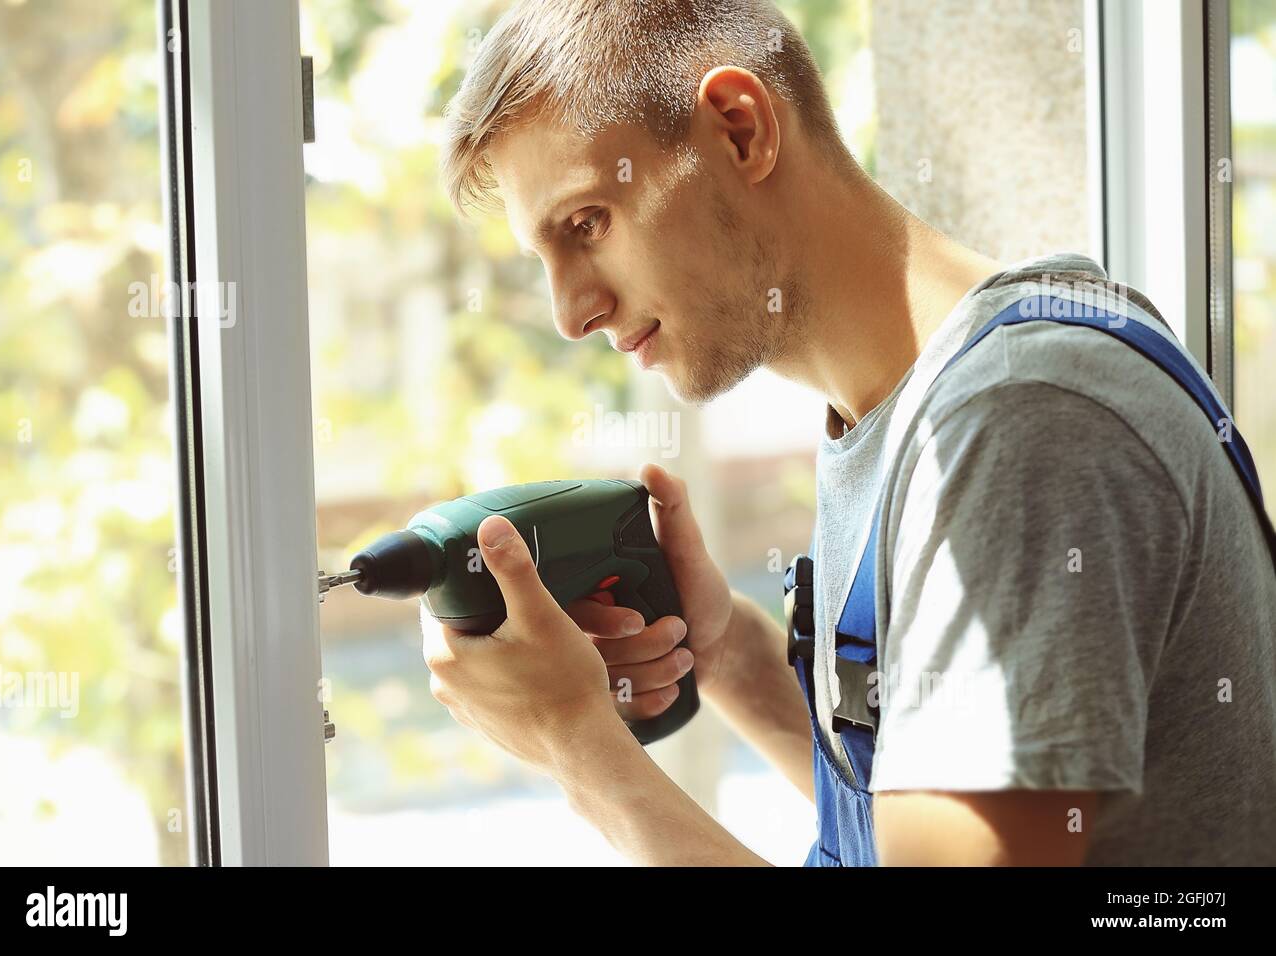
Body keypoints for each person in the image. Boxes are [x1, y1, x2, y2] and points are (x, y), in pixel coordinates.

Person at [421, 0, 1276, 865]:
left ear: (740, 128)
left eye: (588, 224)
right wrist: (729, 659)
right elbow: (909, 819)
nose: (572, 313)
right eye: (545, 259)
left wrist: (581, 753)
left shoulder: (1017, 425)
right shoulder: (918, 407)